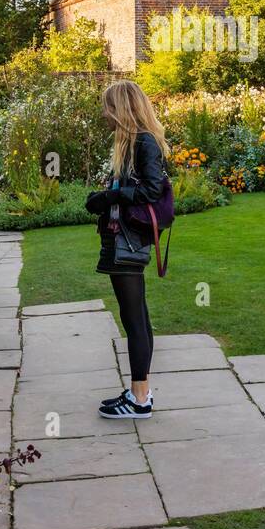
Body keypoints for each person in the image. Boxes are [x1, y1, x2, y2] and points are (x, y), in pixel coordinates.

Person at [85, 80, 170, 419]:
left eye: (108, 106)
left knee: (135, 320)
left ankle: (139, 399)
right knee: (137, 317)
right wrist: (107, 195)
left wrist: (110, 196)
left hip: (128, 242)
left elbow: (151, 189)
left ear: (122, 108)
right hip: (122, 239)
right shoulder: (133, 142)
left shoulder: (144, 142)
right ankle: (139, 393)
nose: (104, 113)